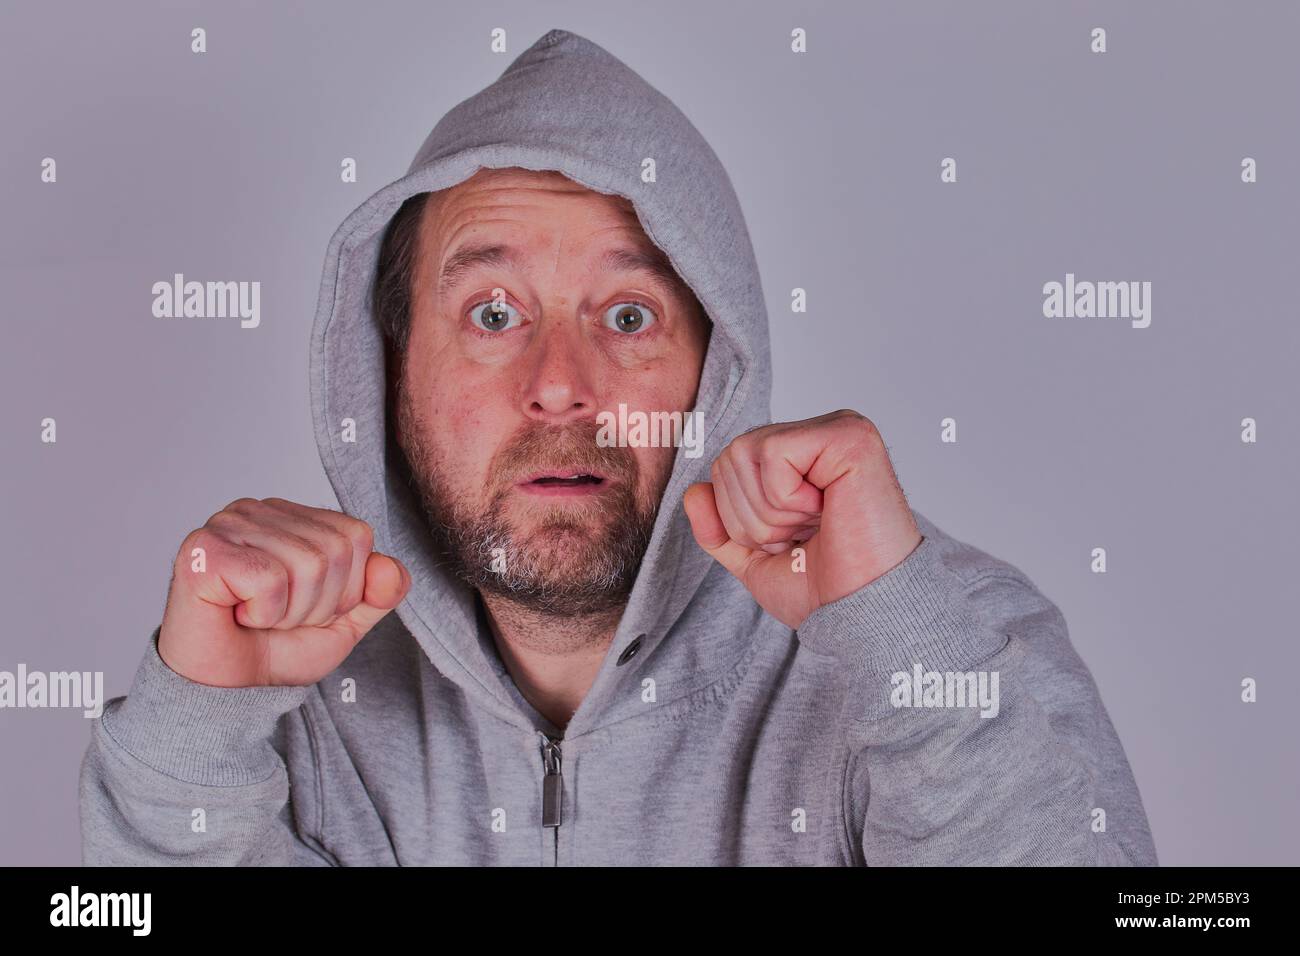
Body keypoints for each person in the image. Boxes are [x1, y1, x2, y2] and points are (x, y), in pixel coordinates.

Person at [79, 28, 1157, 866]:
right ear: (390, 367)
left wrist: (903, 640)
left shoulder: (945, 643)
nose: (561, 386)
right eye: (492, 313)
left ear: (717, 368)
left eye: (630, 316)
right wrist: (191, 741)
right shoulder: (293, 702)